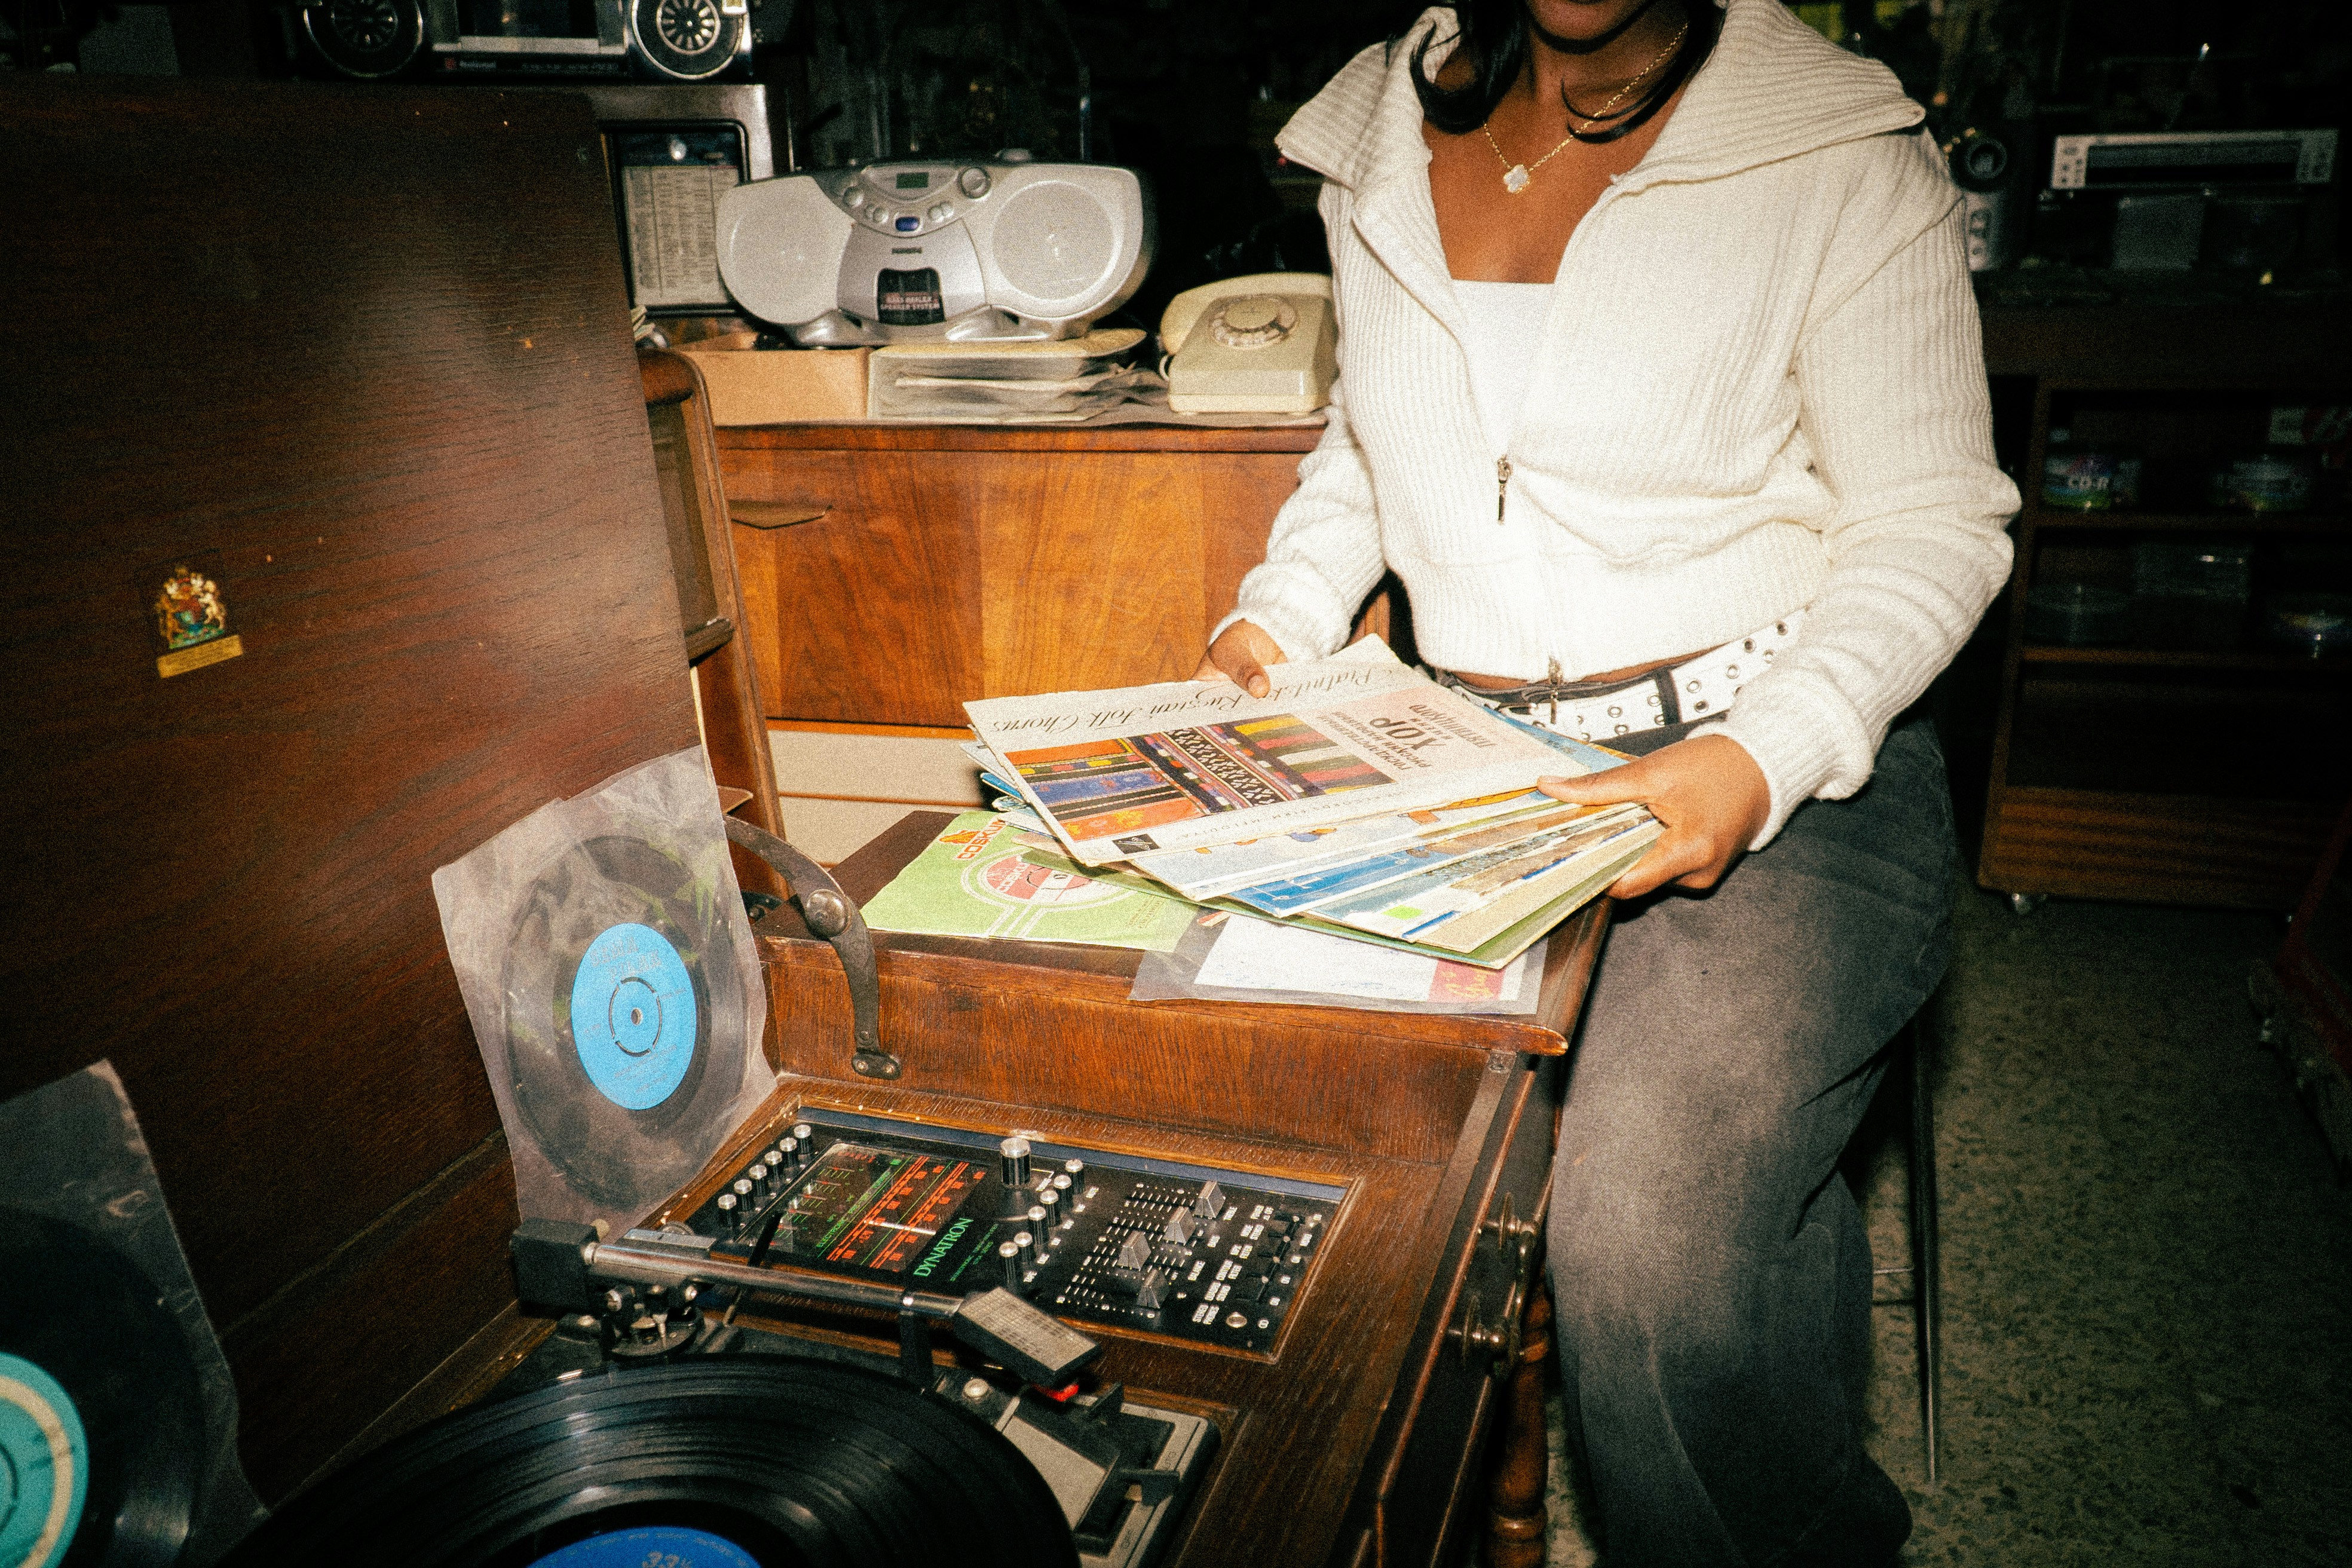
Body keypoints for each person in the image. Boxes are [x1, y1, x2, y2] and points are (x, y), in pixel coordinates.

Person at [1192, 0, 2019, 1561]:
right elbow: (1374, 446)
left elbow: (1932, 524)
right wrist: (1279, 617)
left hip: (1782, 751)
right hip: (1469, 750)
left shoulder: (1838, 142)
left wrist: (1758, 756)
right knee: (1267, 1119)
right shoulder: (1375, 131)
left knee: (1644, 1243)